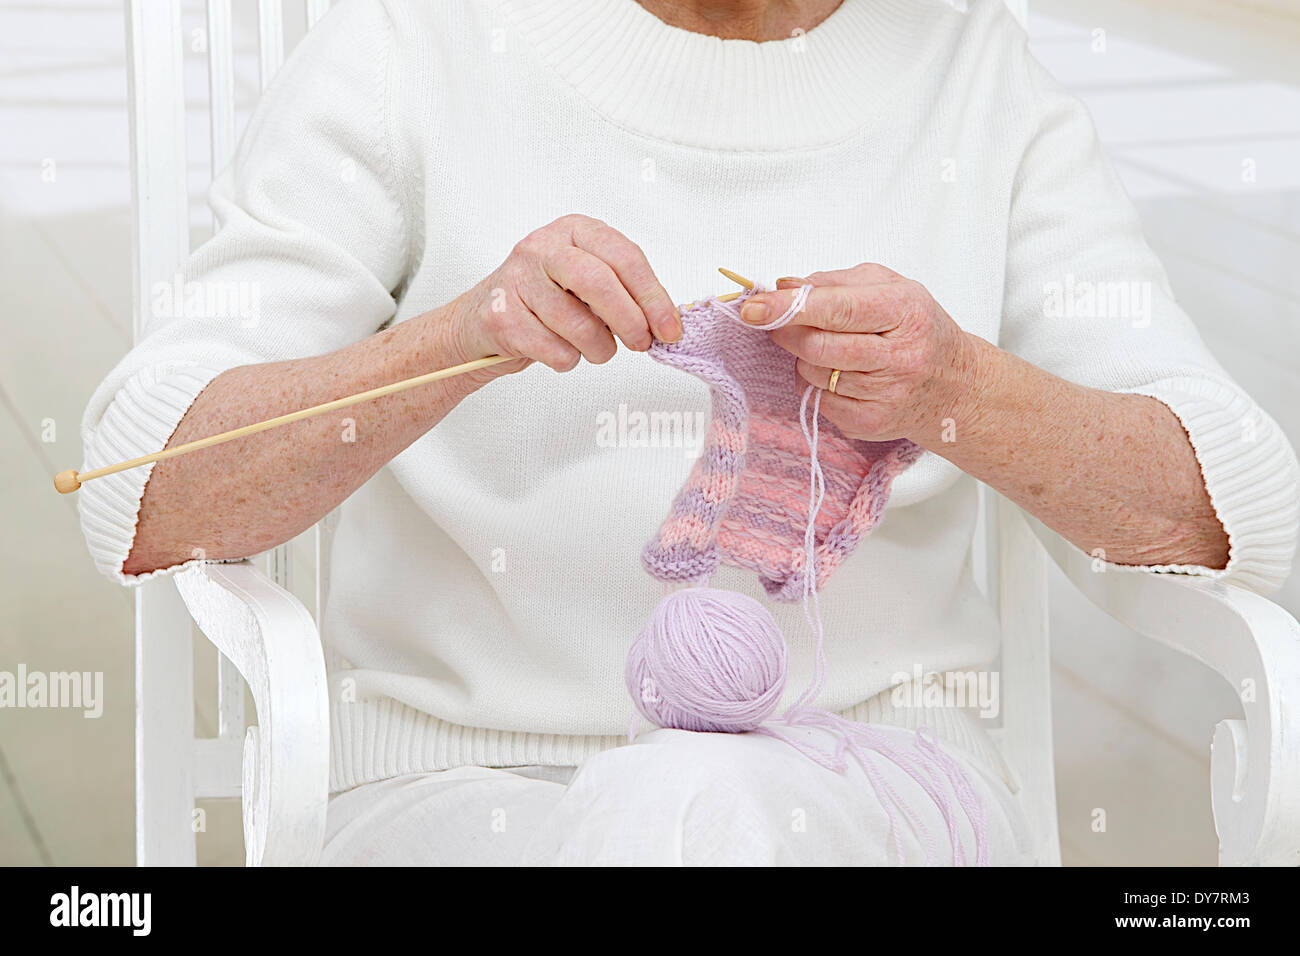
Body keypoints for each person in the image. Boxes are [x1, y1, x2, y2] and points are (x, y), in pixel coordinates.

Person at [78, 0, 1297, 865]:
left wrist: (954, 386)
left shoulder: (979, 68)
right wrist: (449, 341)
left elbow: (1246, 517)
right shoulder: (410, 40)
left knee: (702, 803)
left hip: (876, 795)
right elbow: (145, 493)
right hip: (457, 793)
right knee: (686, 809)